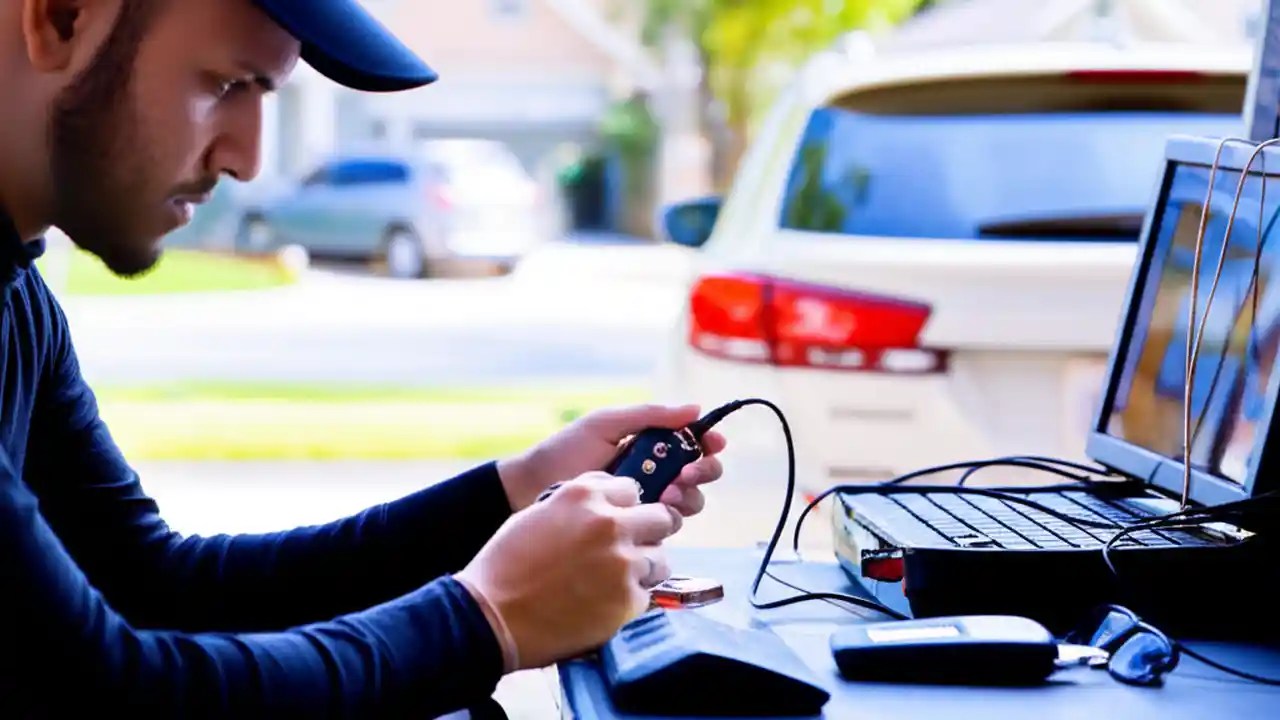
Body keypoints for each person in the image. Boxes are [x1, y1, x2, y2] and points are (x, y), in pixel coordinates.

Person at [0, 0, 727, 717]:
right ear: (60, 17)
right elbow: (104, 690)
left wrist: (517, 493)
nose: (248, 160)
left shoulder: (18, 300)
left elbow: (152, 585)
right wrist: (488, 621)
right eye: (223, 84)